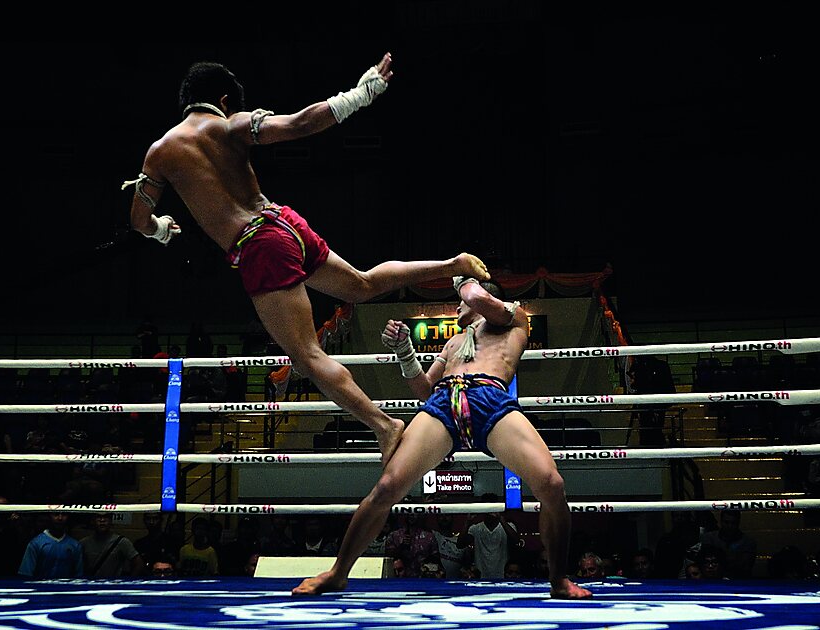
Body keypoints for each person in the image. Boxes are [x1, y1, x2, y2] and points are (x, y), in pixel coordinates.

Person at [124, 54, 490, 467]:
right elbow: (301, 122)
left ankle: (384, 426)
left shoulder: (159, 153)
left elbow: (138, 220)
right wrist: (362, 92)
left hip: (258, 245)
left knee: (307, 356)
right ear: (224, 100)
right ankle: (451, 264)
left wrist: (159, 229)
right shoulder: (231, 125)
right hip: (284, 222)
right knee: (362, 284)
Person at [292, 278, 590, 599]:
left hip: (490, 398)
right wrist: (405, 352)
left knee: (551, 484)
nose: (457, 304)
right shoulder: (452, 345)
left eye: (460, 299)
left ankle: (558, 581)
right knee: (388, 487)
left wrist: (462, 275)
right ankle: (338, 573)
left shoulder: (514, 320)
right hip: (444, 404)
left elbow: (474, 295)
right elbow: (424, 390)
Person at [19, 512, 83, 579]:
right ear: (49, 517)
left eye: (64, 514)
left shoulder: (75, 545)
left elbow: (79, 576)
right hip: (41, 588)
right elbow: (26, 574)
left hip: (67, 588)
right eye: (56, 514)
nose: (60, 518)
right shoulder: (36, 543)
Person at [80, 514, 145, 578]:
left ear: (111, 521)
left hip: (113, 585)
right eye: (98, 517)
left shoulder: (121, 542)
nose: (102, 520)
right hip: (90, 584)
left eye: (106, 517)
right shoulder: (83, 543)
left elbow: (139, 563)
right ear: (93, 521)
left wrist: (129, 581)